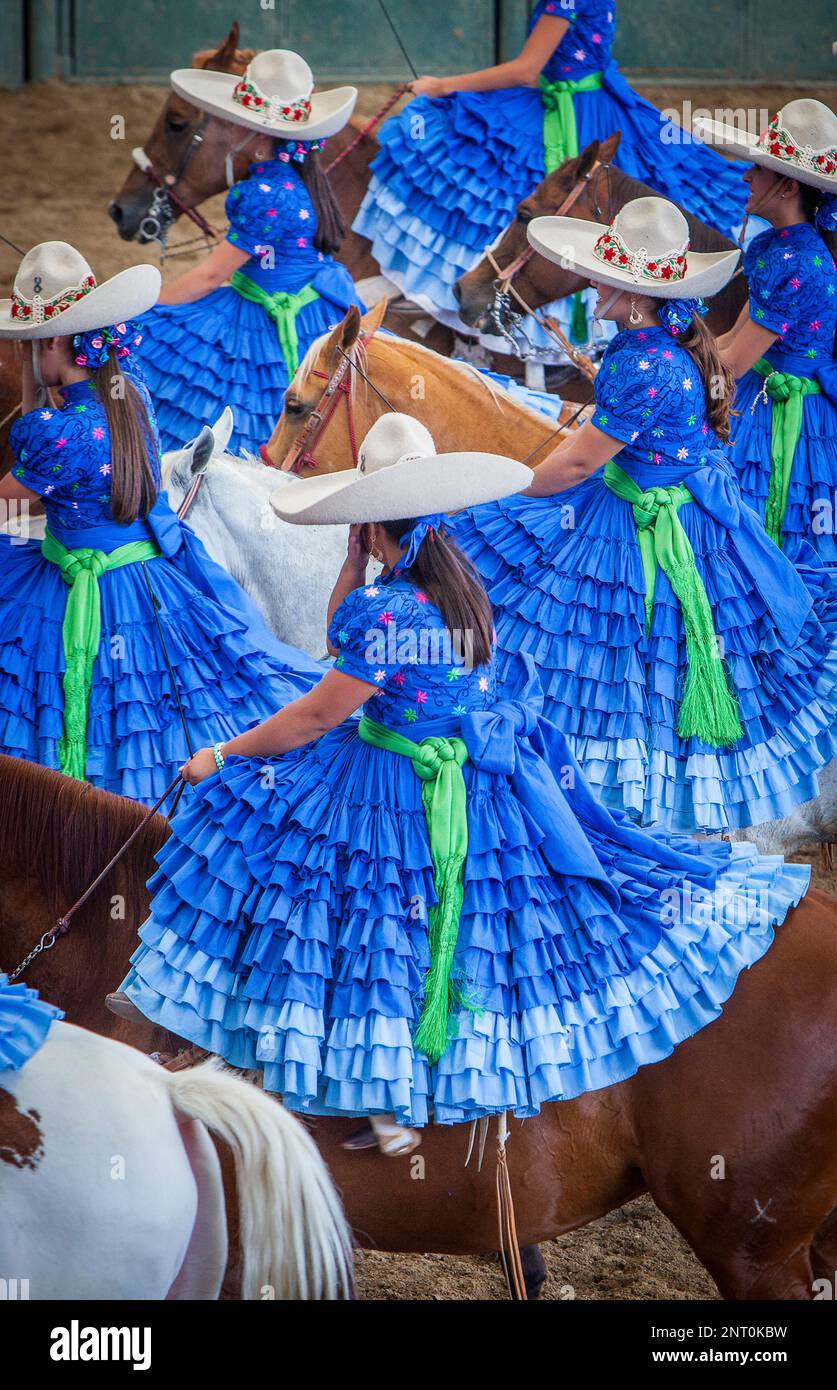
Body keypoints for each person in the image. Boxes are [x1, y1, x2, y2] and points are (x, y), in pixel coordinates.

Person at [109, 412, 807, 1155]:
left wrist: (221, 751)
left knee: (336, 891)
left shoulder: (387, 611)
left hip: (392, 778)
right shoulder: (458, 584)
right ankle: (382, 1096)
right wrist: (357, 569)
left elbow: (314, 714)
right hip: (464, 769)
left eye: (363, 527)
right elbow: (344, 648)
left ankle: (348, 1086)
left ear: (375, 527)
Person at [450, 196, 837, 833]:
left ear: (635, 297)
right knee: (664, 647)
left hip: (634, 519)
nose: (593, 285)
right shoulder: (673, 345)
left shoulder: (637, 361)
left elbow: (574, 468)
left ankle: (588, 789)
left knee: (583, 629)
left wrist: (499, 490)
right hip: (689, 514)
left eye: (609, 278)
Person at [0, 241, 324, 805]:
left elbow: (11, 492)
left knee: (60, 697)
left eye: (29, 345)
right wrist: (39, 379)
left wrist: (34, 385)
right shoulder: (131, 396)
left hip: (82, 585)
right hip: (144, 575)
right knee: (148, 709)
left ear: (53, 341)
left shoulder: (60, 435)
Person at [355, 0, 749, 348]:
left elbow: (528, 70)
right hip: (596, 98)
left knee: (449, 137)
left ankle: (524, 323)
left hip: (571, 109)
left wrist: (441, 85)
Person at [137, 49, 364, 457]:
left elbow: (210, 275)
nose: (220, 130)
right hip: (315, 306)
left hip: (267, 314)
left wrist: (141, 306)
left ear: (255, 135)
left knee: (160, 347)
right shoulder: (297, 178)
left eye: (229, 122)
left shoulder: (265, 193)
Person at [696, 99, 837, 566]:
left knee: (774, 520)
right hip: (761, 385)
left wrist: (672, 372)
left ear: (787, 186)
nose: (745, 176)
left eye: (757, 169)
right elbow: (732, 341)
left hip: (791, 408)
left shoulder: (796, 259)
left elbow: (734, 363)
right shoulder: (771, 245)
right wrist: (683, 353)